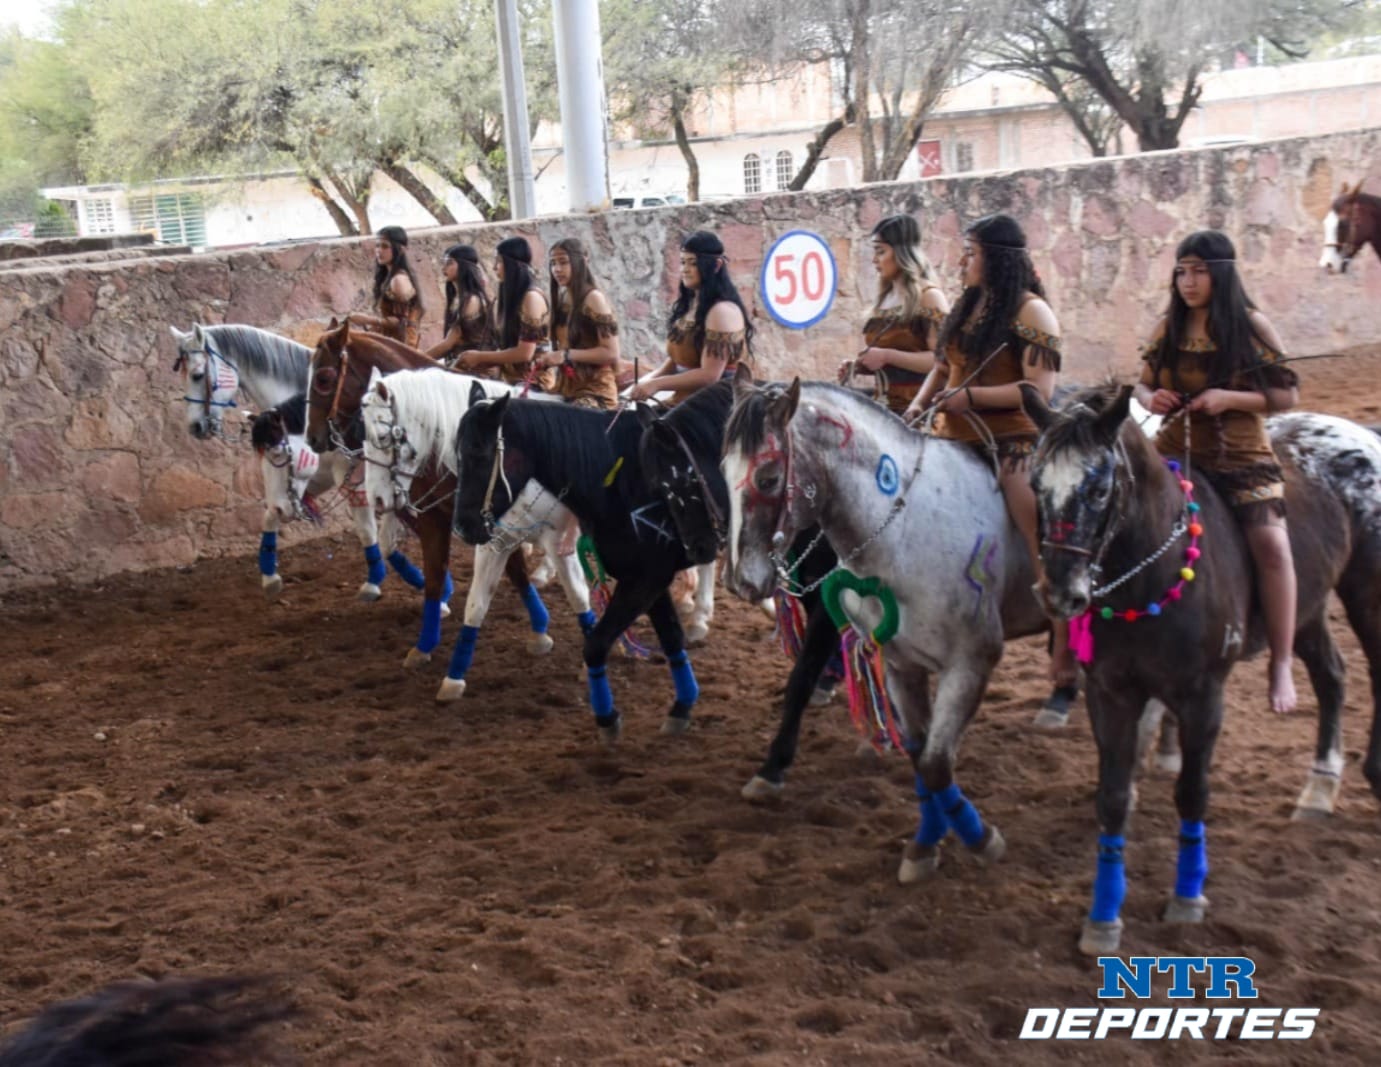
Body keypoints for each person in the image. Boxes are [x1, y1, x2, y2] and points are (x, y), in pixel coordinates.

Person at [1133, 230, 1300, 713]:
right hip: (1174, 450)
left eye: (1200, 270)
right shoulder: (1168, 327)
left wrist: (1229, 399)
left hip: (1241, 455)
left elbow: (1287, 395)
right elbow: (1140, 387)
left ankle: (1282, 660)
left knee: (1271, 545)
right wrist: (1153, 399)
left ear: (1220, 273)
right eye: (1182, 270)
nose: (1188, 281)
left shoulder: (1251, 325)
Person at [911, 212, 1076, 701]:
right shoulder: (968, 305)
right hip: (950, 434)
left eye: (971, 252)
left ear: (997, 259)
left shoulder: (1031, 312)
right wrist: (920, 405)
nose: (961, 260)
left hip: (1012, 441)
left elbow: (1038, 390)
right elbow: (942, 368)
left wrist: (972, 399)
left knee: (1032, 517)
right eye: (963, 251)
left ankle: (1058, 609)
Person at [839, 214, 949, 414]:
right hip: (883, 408)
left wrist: (888, 356)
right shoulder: (885, 298)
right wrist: (861, 366)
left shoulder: (929, 296)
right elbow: (889, 363)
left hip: (921, 409)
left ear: (902, 253)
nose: (874, 260)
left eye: (880, 251)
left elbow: (943, 361)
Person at [629, 230, 752, 403]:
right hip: (684, 404)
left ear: (716, 265)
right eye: (683, 262)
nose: (685, 270)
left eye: (693, 263)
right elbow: (675, 362)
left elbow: (709, 376)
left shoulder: (721, 311)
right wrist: (642, 385)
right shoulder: (692, 306)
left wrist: (657, 385)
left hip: (714, 408)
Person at [455, 235, 553, 392]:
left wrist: (480, 357)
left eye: (498, 261)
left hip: (532, 384)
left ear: (511, 263)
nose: (494, 267)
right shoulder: (513, 297)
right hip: (510, 381)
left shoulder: (531, 297)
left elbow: (525, 353)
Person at [537, 237, 622, 409]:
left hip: (595, 393)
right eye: (553, 263)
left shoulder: (593, 298)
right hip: (566, 389)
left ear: (581, 262)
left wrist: (566, 355)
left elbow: (611, 353)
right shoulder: (564, 298)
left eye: (563, 262)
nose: (557, 269)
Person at [351, 224, 423, 347]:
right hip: (390, 344)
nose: (379, 250)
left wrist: (367, 320)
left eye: (385, 246)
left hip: (401, 349)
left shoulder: (398, 280)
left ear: (401, 249)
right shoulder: (389, 276)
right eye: (377, 246)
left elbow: (401, 323)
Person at [427, 243, 494, 368]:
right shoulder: (458, 299)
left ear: (464, 266)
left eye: (449, 263)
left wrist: (415, 359)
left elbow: (449, 343)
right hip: (459, 365)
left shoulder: (472, 300)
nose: (443, 269)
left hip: (477, 370)